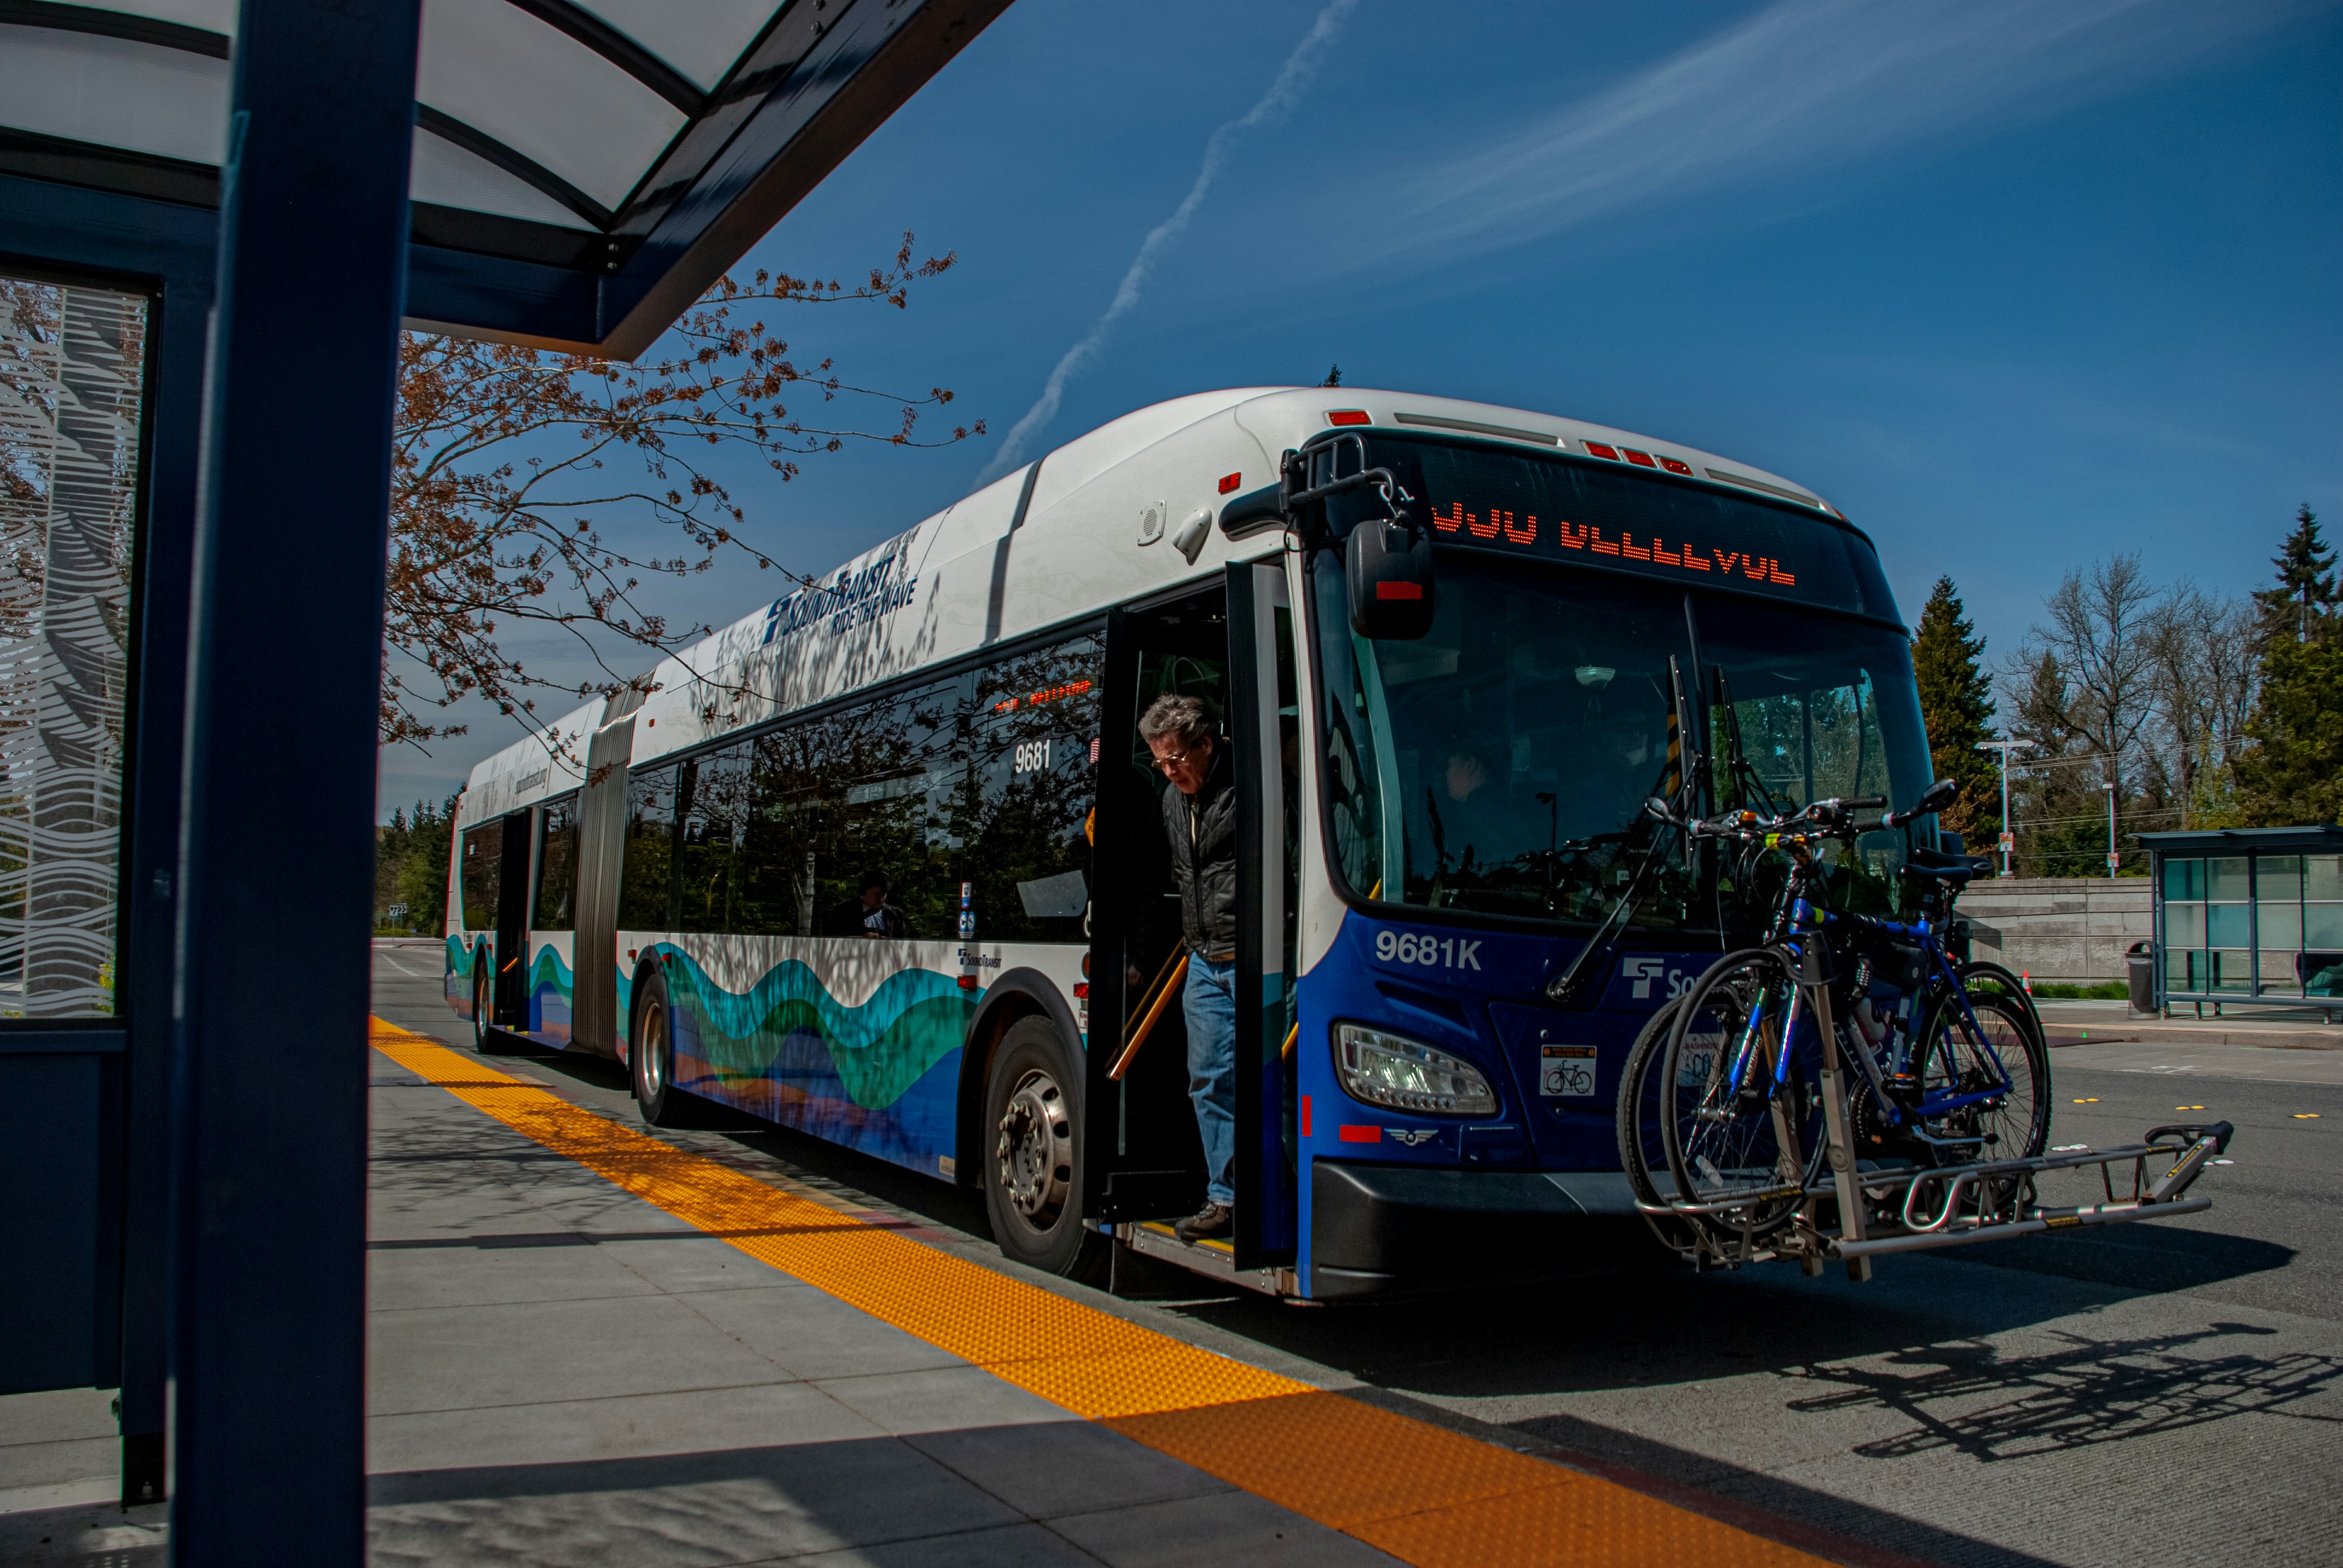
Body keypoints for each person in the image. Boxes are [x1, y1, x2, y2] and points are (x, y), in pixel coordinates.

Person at [1140, 693, 1238, 1243]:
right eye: (1160, 762)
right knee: (1208, 1082)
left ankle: (1287, 1193)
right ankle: (1226, 1197)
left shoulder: (1248, 785)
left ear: (1206, 744)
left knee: (1276, 1081)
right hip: (1202, 959)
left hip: (1256, 957)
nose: (1169, 771)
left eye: (1175, 758)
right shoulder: (1171, 802)